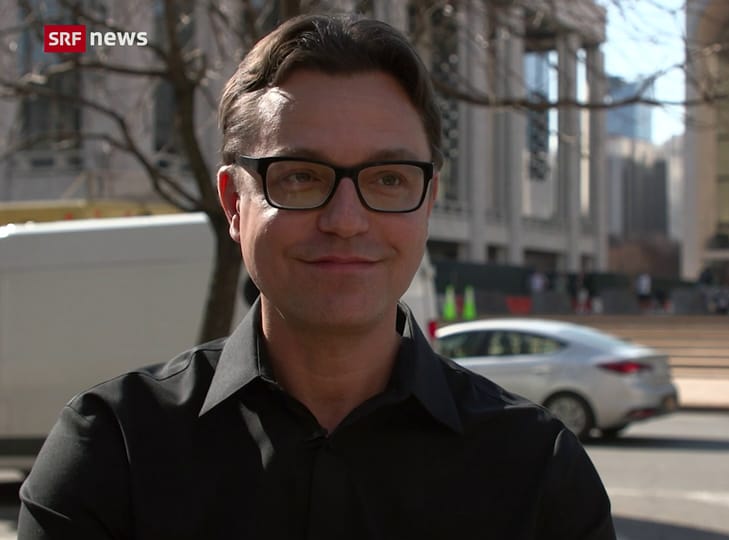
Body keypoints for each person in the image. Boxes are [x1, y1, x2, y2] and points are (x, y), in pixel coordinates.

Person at [18, 15, 615, 539]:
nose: (346, 221)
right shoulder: (110, 450)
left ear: (428, 200)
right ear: (233, 203)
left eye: (388, 179)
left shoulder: (538, 466)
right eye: (300, 176)